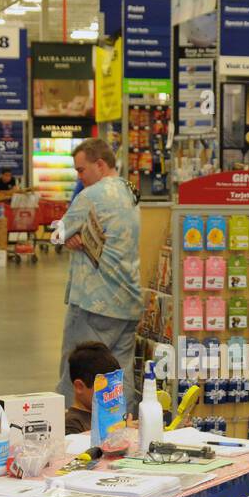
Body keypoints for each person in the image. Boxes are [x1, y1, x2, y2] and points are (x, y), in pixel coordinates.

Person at [54, 138, 141, 409]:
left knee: (76, 372)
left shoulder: (91, 195)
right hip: (128, 299)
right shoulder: (130, 192)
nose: (79, 177)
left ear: (100, 165)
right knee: (120, 373)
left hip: (95, 302)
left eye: (81, 170)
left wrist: (67, 236)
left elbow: (58, 233)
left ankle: (69, 432)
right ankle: (122, 430)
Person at [63, 341, 122, 435]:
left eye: (116, 389)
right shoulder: (71, 424)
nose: (112, 396)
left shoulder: (106, 414)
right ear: (79, 387)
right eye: (105, 390)